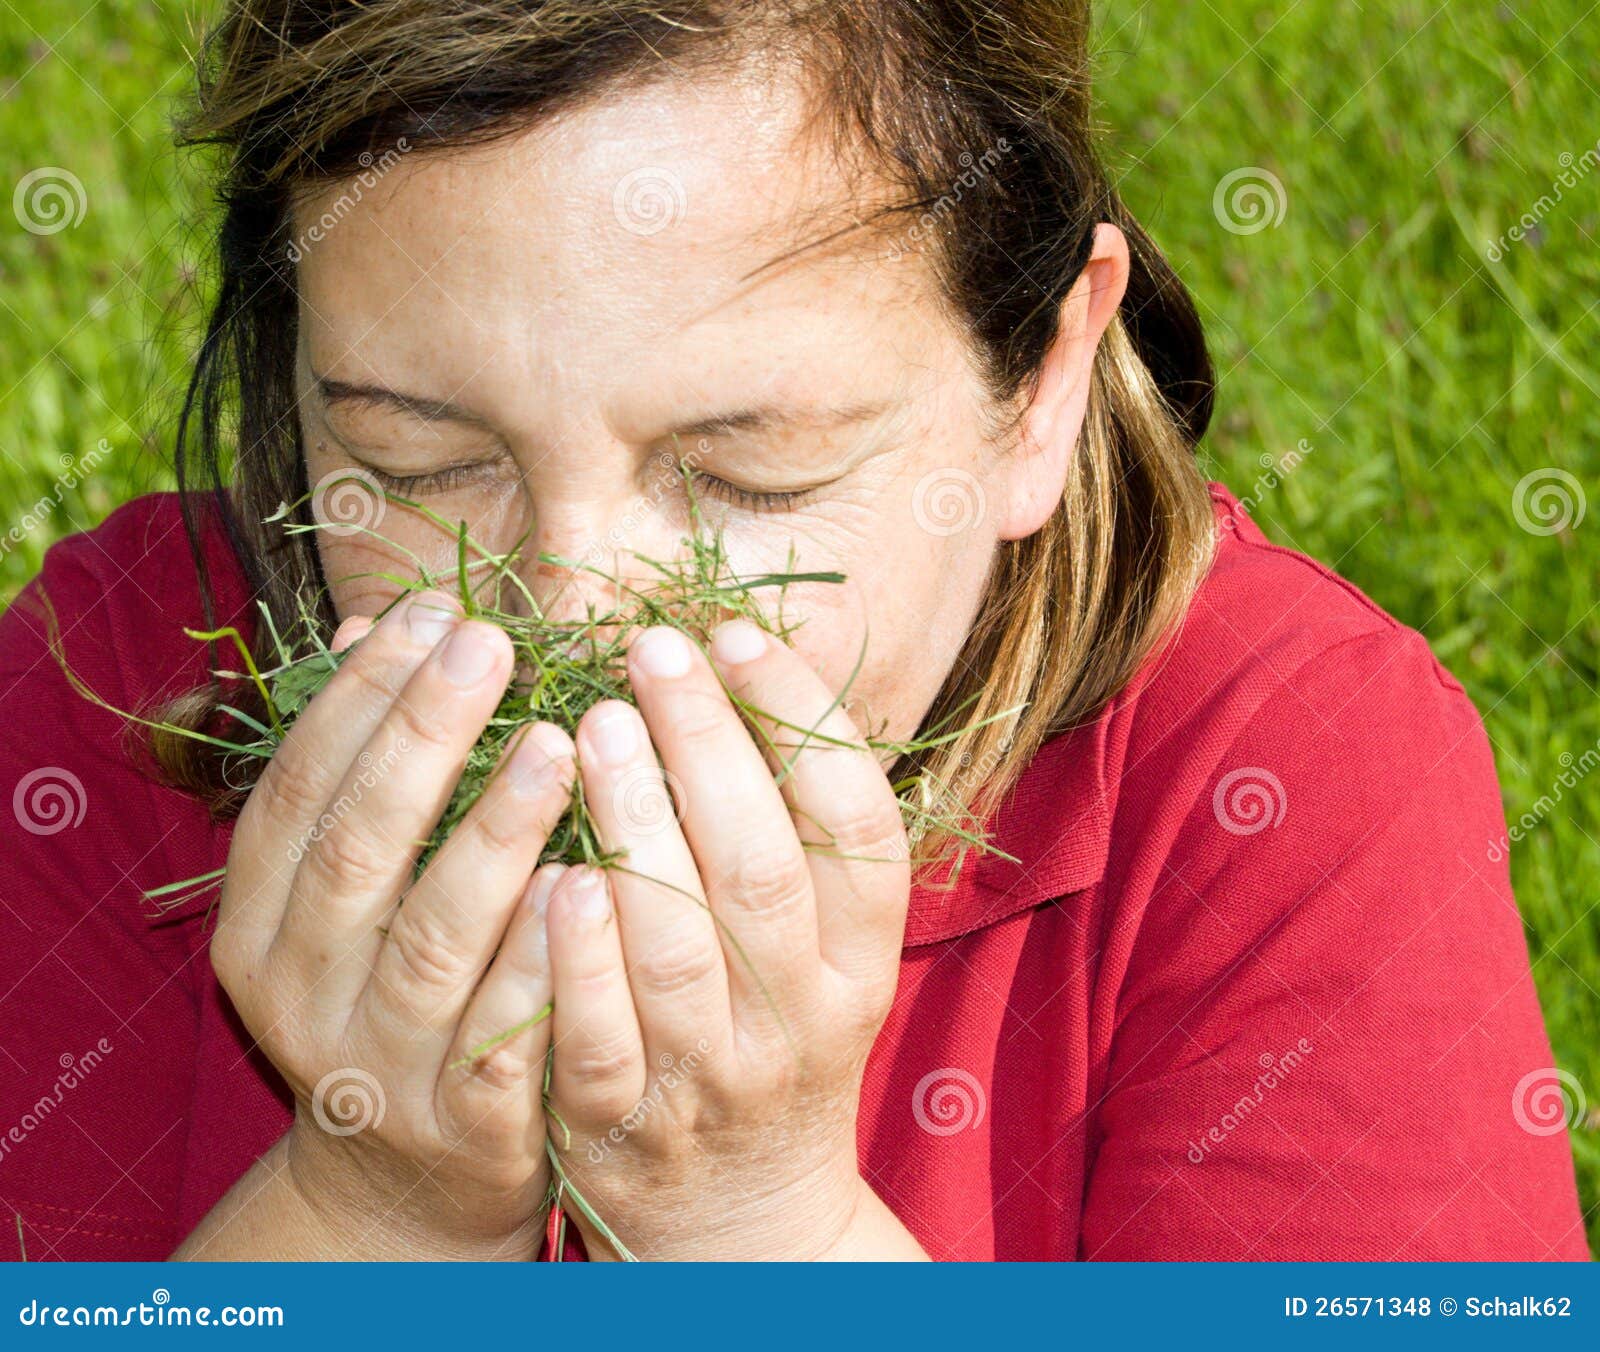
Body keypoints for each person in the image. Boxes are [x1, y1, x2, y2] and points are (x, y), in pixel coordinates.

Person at [0, 0, 1585, 1261]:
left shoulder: (1287, 773)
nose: (577, 612)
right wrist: (368, 1210)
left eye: (747, 472)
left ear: (1039, 387)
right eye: (419, 460)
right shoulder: (113, 702)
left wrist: (753, 1224)